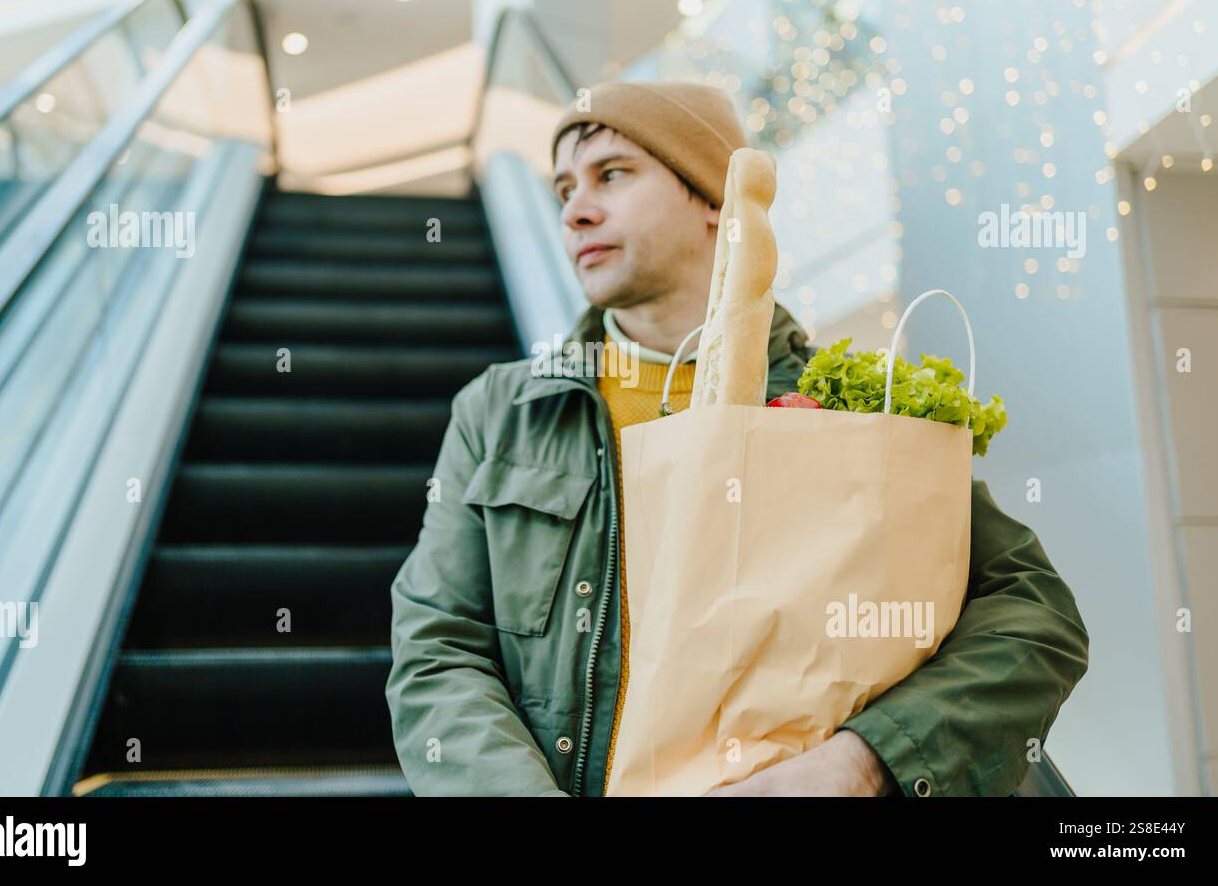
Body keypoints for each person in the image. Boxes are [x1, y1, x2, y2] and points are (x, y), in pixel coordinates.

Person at [385, 80, 1090, 796]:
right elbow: (438, 647)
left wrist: (861, 763)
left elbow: (1035, 614)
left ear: (718, 200)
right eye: (564, 187)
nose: (575, 210)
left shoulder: (848, 399)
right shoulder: (503, 410)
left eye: (613, 174)